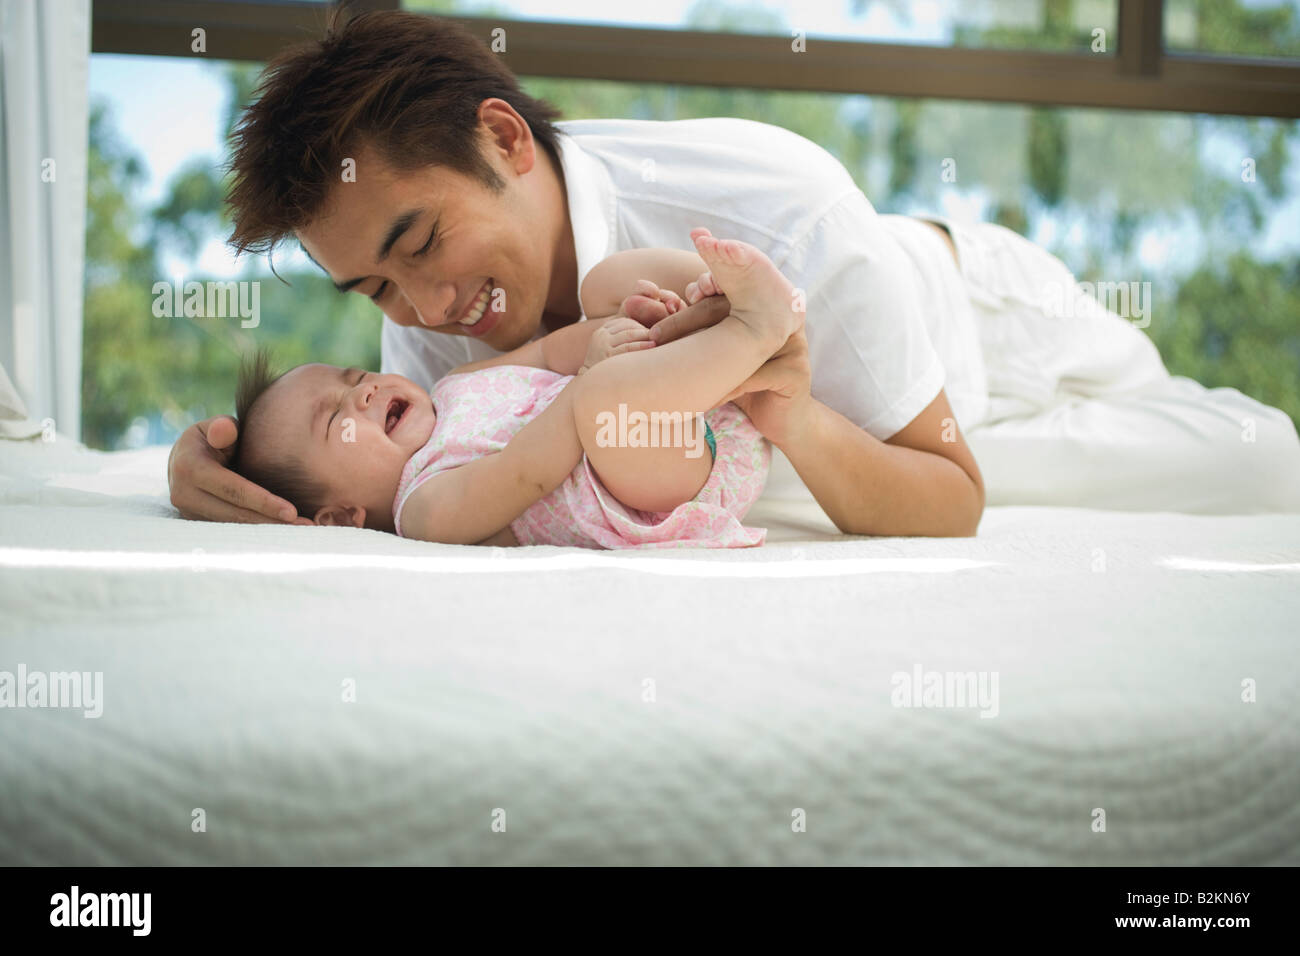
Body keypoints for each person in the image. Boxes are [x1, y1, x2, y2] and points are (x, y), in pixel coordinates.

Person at [168, 10, 1300, 534]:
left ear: (507, 141)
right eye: (372, 290)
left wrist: (803, 420)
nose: (419, 314)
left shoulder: (771, 203)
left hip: (978, 315)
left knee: (1263, 465)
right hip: (827, 391)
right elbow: (397, 482)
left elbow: (951, 499)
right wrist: (204, 467)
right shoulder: (427, 333)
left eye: (416, 246)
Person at [229, 230, 790, 548]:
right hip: (667, 484)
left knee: (603, 285)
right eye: (335, 419)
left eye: (356, 377)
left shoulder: (453, 386)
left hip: (692, 410)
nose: (365, 393)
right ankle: (757, 329)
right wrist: (594, 379)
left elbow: (549, 354)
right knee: (600, 407)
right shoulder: (423, 510)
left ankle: (706, 308)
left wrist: (629, 330)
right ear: (339, 517)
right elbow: (525, 470)